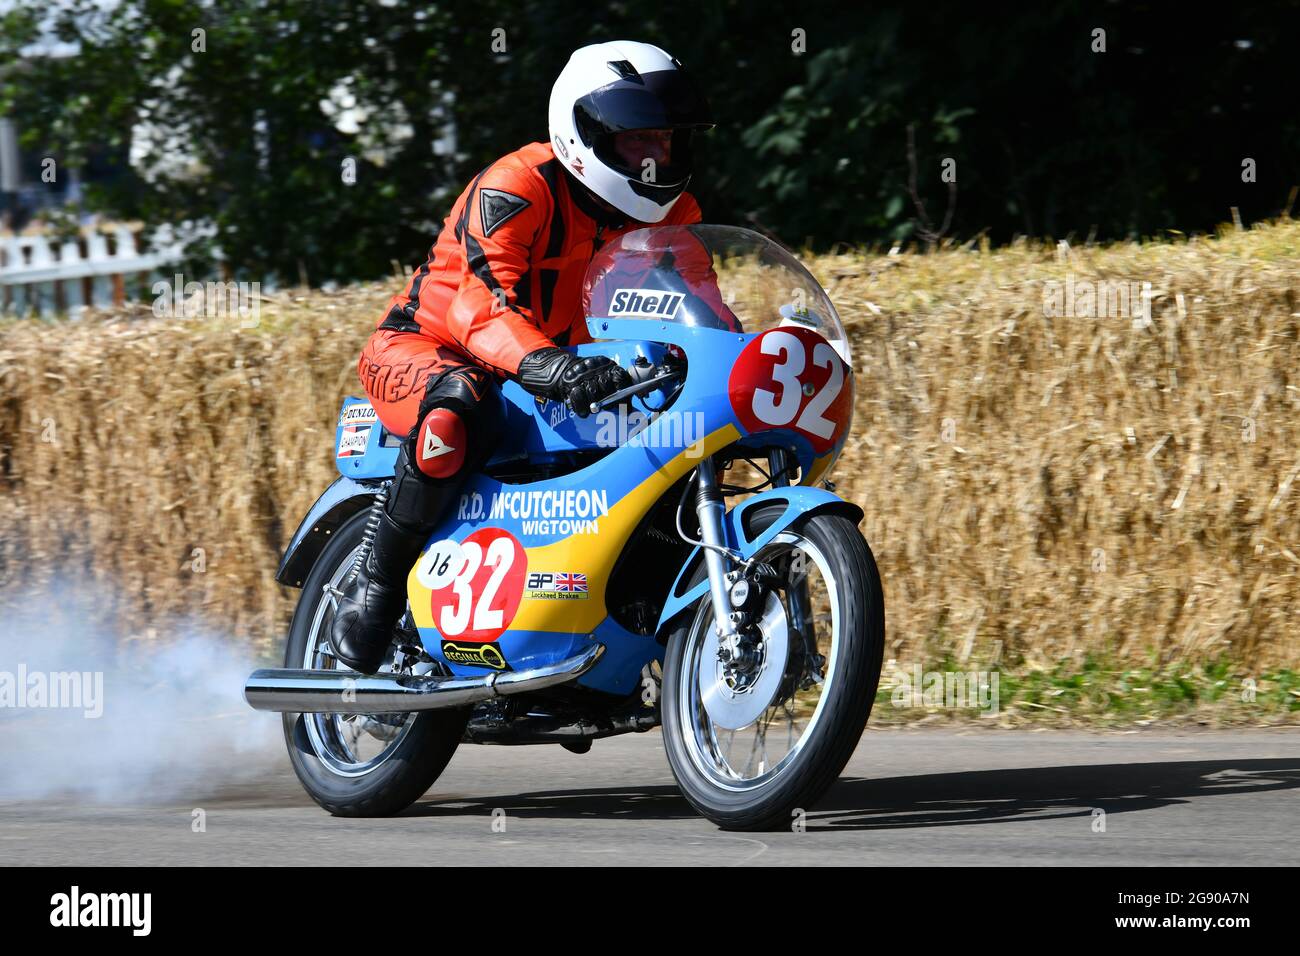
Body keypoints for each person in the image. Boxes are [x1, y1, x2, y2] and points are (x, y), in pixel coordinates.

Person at [330, 40, 715, 673]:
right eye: (637, 140)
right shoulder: (516, 187)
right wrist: (557, 368)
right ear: (585, 132)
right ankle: (372, 596)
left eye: (665, 140)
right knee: (459, 410)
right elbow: (477, 307)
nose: (654, 158)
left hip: (555, 376)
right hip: (427, 350)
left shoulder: (677, 216)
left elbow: (700, 306)